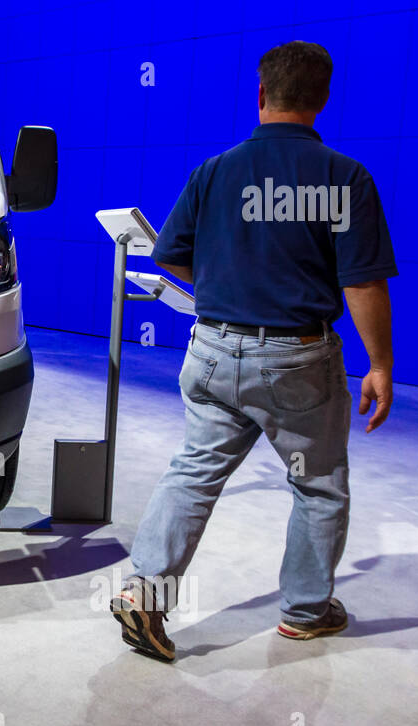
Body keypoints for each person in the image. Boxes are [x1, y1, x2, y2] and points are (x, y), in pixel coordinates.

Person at [111, 41, 397, 662]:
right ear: (322, 101)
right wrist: (379, 366)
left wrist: (227, 274)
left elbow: (170, 256)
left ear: (261, 96)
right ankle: (304, 612)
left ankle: (143, 595)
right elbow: (362, 283)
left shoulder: (213, 171)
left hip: (211, 351)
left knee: (194, 471)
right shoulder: (344, 178)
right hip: (297, 363)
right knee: (317, 485)